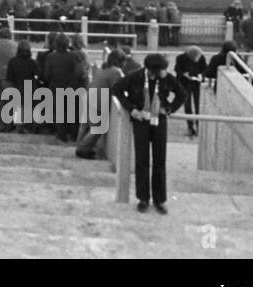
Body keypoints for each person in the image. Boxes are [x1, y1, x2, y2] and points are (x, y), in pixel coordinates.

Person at [112, 52, 184, 214]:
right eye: (161, 70)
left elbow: (181, 94)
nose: (164, 72)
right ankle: (143, 198)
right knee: (142, 159)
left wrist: (169, 108)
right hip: (141, 122)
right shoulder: (135, 77)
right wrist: (131, 109)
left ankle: (159, 199)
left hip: (159, 122)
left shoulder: (166, 78)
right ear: (152, 70)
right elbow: (116, 90)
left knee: (159, 160)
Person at [76, 50, 126, 160]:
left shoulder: (102, 68)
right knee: (98, 129)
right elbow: (117, 88)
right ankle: (82, 150)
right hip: (98, 102)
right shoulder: (115, 72)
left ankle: (79, 146)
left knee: (84, 126)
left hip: (89, 98)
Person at [174, 46, 207, 136]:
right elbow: (177, 69)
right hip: (185, 84)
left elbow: (205, 69)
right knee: (187, 106)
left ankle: (199, 127)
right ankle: (190, 127)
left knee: (198, 105)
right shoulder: (181, 58)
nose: (198, 58)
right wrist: (184, 74)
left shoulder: (201, 58)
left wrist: (201, 75)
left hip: (196, 84)